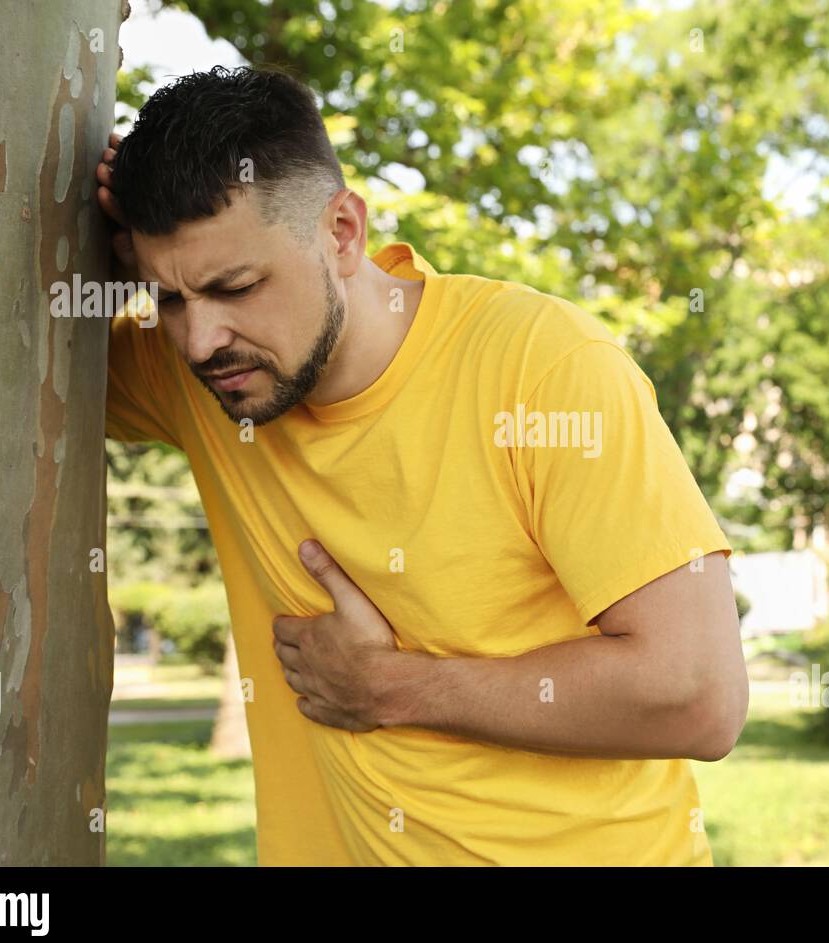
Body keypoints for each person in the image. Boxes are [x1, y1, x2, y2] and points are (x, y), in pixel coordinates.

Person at [95, 65, 747, 866]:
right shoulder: (210, 374)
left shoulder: (543, 367)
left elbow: (699, 696)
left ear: (341, 232)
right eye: (166, 298)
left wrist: (392, 687)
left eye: (237, 285)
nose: (200, 340)